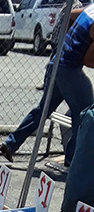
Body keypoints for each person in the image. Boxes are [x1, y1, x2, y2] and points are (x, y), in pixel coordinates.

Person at [0, 1, 84, 163]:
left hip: (55, 62)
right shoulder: (77, 8)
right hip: (67, 63)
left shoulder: (67, 7)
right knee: (82, 111)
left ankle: (11, 143)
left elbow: (56, 36)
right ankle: (73, 159)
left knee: (42, 110)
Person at [55, 2, 94, 166]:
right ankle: (75, 160)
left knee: (79, 110)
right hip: (69, 68)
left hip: (61, 64)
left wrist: (68, 44)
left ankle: (72, 157)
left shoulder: (91, 9)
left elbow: (70, 15)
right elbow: (89, 60)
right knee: (86, 112)